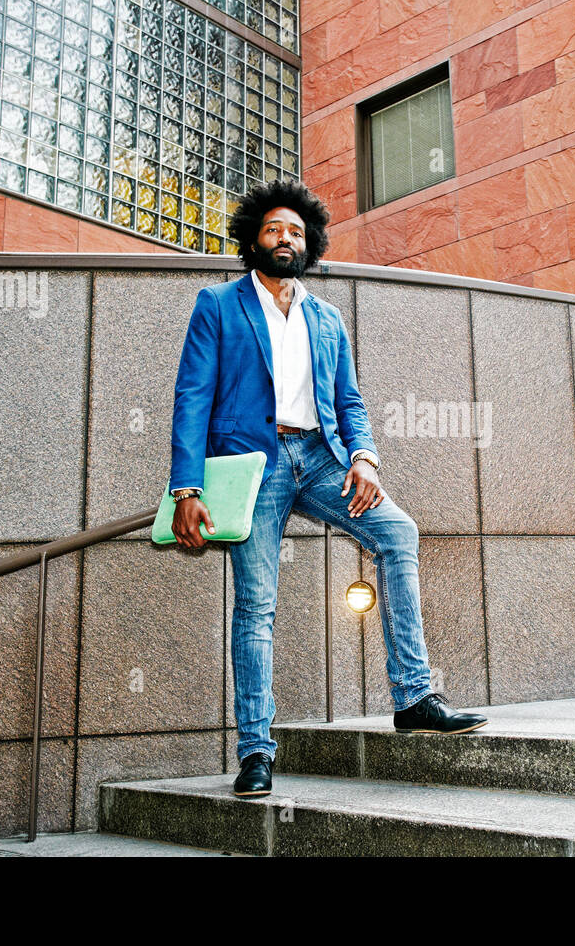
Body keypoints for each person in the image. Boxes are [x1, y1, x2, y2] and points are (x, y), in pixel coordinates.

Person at [168, 179, 487, 797]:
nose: (284, 238)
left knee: (397, 533)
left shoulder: (326, 317)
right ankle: (256, 751)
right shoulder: (217, 304)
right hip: (250, 463)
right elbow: (191, 398)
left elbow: (348, 399)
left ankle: (414, 696)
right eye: (272, 229)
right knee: (257, 605)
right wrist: (187, 488)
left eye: (295, 231)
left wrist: (364, 457)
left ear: (308, 242)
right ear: (252, 240)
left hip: (319, 456)